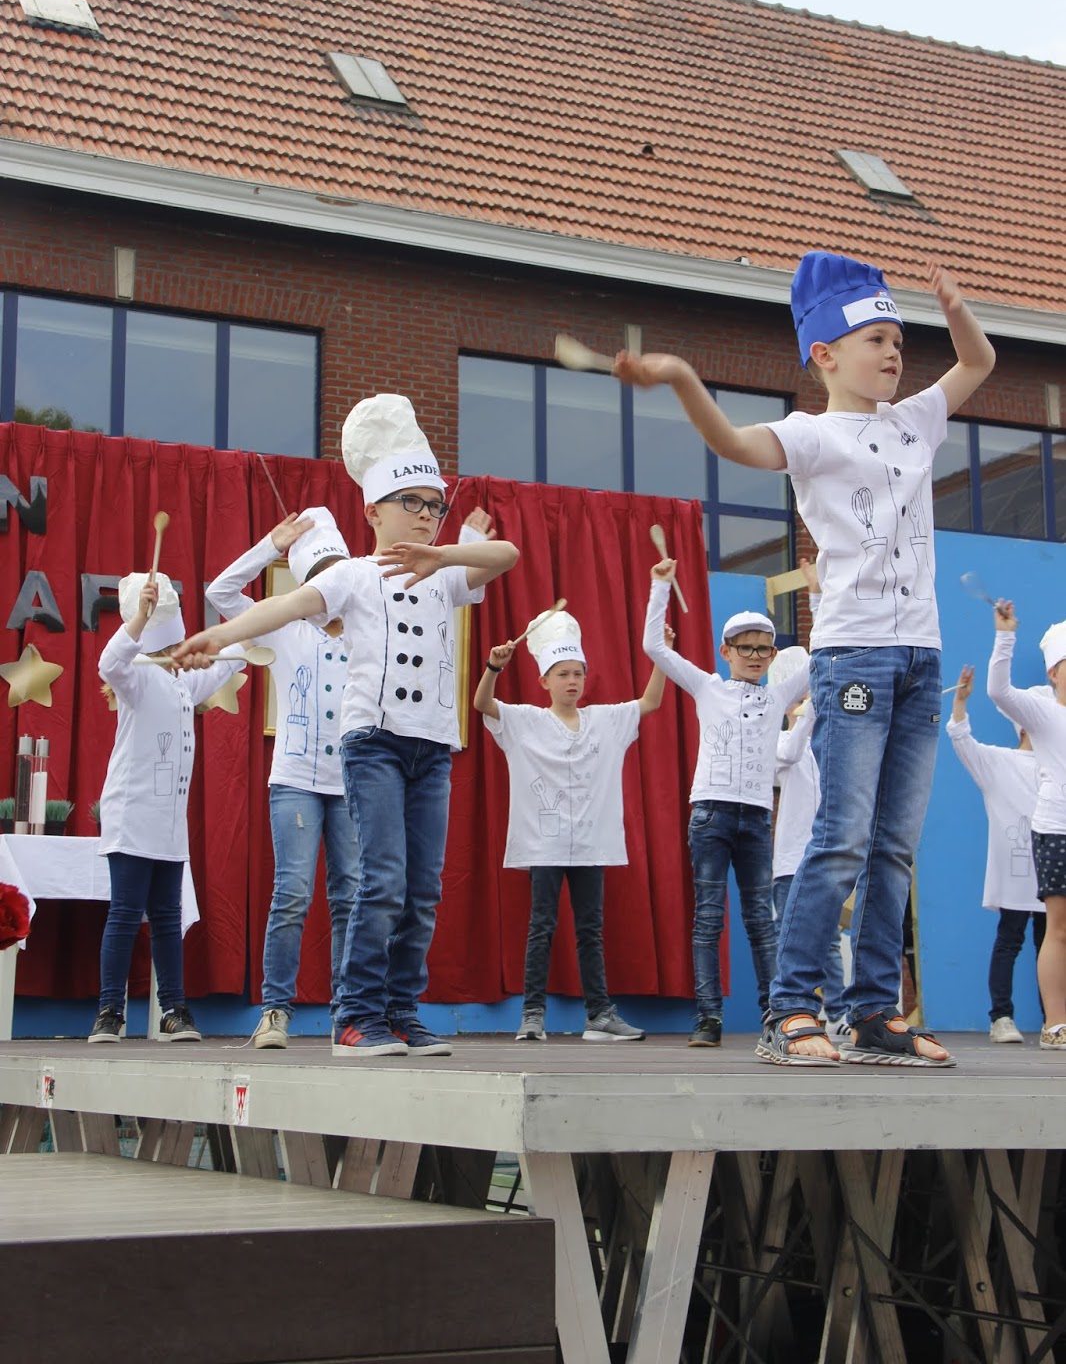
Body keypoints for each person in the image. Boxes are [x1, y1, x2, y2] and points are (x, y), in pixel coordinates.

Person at [618, 253, 995, 1066]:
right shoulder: (810, 434)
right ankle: (792, 1010)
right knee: (842, 835)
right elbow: (730, 440)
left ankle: (873, 1016)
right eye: (876, 339)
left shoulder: (917, 420)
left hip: (922, 658)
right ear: (823, 352)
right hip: (853, 658)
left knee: (896, 844)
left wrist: (959, 308)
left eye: (900, 339)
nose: (895, 353)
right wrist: (683, 376)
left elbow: (979, 363)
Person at [174, 395, 518, 1058]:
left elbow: (506, 553)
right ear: (373, 510)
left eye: (434, 506)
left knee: (422, 891)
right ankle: (355, 1017)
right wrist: (215, 635)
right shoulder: (354, 577)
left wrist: (445, 556)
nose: (424, 516)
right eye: (411, 503)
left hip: (433, 751)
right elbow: (283, 607)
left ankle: (400, 1009)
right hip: (374, 747)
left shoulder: (446, 578)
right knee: (381, 881)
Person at [474, 606, 667, 1043]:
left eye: (578, 673)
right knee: (541, 925)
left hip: (591, 843)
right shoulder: (527, 720)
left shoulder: (605, 720)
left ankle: (599, 1014)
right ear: (544, 681)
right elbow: (483, 704)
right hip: (545, 843)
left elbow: (650, 701)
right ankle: (533, 1015)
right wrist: (493, 668)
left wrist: (662, 657)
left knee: (590, 928)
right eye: (562, 674)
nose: (572, 681)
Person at [206, 508, 359, 1049]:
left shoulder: (368, 628)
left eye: (334, 574)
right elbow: (222, 593)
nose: (327, 587)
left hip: (352, 784)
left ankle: (350, 1013)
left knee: (351, 896)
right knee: (292, 892)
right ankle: (275, 1011)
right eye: (315, 577)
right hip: (295, 778)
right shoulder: (286, 626)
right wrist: (271, 546)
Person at [643, 561, 810, 1045]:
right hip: (711, 813)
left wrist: (818, 595)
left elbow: (821, 658)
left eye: (764, 648)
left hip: (757, 817)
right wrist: (659, 586)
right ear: (726, 651)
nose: (755, 655)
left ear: (772, 654)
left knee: (762, 920)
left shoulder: (778, 695)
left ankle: (775, 1014)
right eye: (746, 648)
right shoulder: (707, 686)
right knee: (709, 917)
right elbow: (654, 647)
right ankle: (708, 1017)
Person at [89, 573, 245, 1044]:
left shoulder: (183, 684)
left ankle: (174, 1010)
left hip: (169, 827)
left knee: (166, 917)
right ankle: (109, 1011)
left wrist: (226, 633)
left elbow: (237, 650)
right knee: (124, 912)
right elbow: (108, 661)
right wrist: (139, 616)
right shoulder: (133, 676)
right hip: (132, 815)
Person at [770, 563, 849, 1040]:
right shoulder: (779, 737)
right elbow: (788, 753)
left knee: (828, 940)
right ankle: (797, 1011)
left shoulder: (833, 727)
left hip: (822, 853)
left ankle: (839, 1011)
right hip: (787, 859)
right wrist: (804, 715)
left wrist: (818, 597)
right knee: (791, 938)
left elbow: (829, 660)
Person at [947, 661, 1045, 1044]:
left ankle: (1055, 1017)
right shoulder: (999, 763)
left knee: (1051, 942)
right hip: (1017, 873)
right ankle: (1001, 1017)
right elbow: (961, 738)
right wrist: (960, 703)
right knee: (1011, 939)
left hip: (1052, 873)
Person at [987, 603, 1066, 1050]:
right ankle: (1056, 1022)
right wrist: (1005, 636)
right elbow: (999, 692)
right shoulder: (1042, 711)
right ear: (1054, 672)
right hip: (1057, 828)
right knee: (1058, 927)